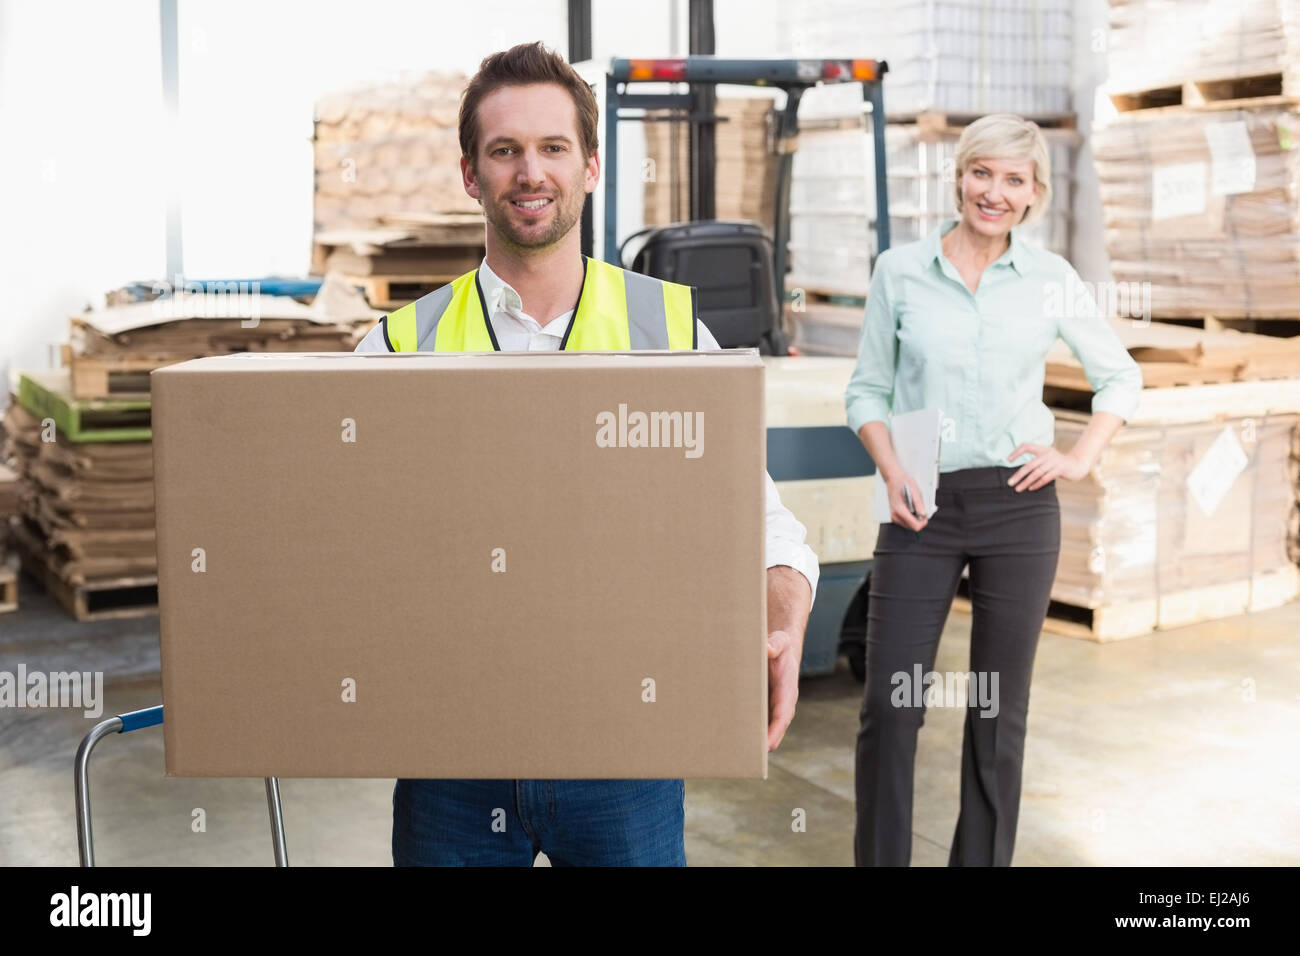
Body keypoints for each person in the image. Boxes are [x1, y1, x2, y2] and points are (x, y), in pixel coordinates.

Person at [353, 41, 819, 866]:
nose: (530, 172)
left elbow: (760, 515)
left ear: (592, 166)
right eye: (504, 151)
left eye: (552, 148)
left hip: (624, 753)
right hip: (453, 758)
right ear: (472, 175)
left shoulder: (674, 333)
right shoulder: (397, 346)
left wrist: (784, 603)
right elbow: (344, 545)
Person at [845, 113, 1143, 866]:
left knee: (997, 708)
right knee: (891, 703)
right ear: (960, 176)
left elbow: (1120, 375)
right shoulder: (900, 271)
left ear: (1034, 192)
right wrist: (891, 467)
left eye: (1015, 180)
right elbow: (867, 391)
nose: (995, 192)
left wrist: (1077, 459)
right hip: (920, 501)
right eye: (984, 173)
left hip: (1019, 504)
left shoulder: (1050, 280)